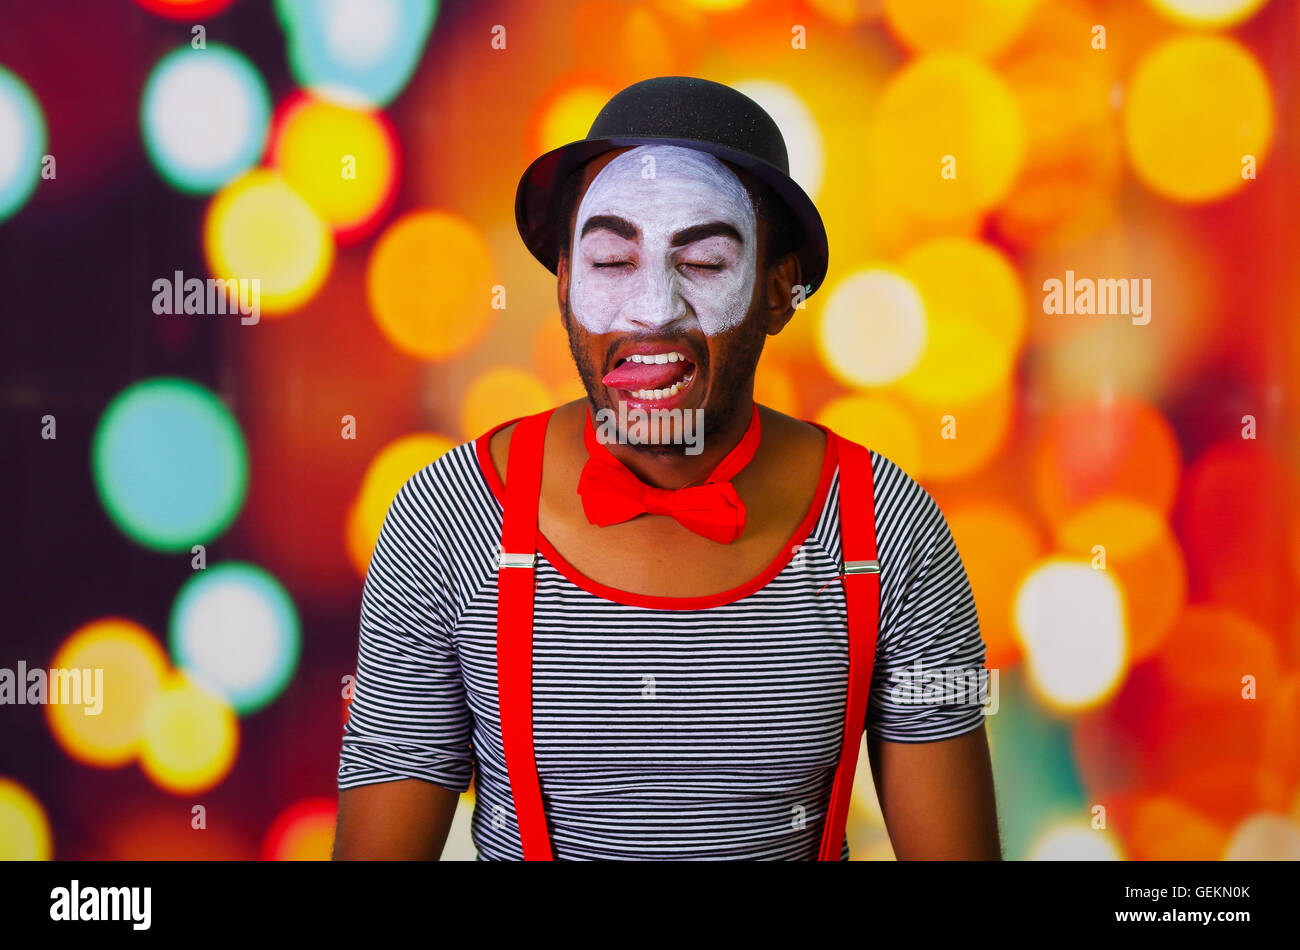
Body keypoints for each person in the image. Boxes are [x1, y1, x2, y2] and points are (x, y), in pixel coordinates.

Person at [334, 76, 1000, 860]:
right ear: (564, 284)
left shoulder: (888, 527)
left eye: (706, 263)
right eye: (612, 259)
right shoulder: (445, 519)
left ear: (779, 293)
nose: (652, 309)